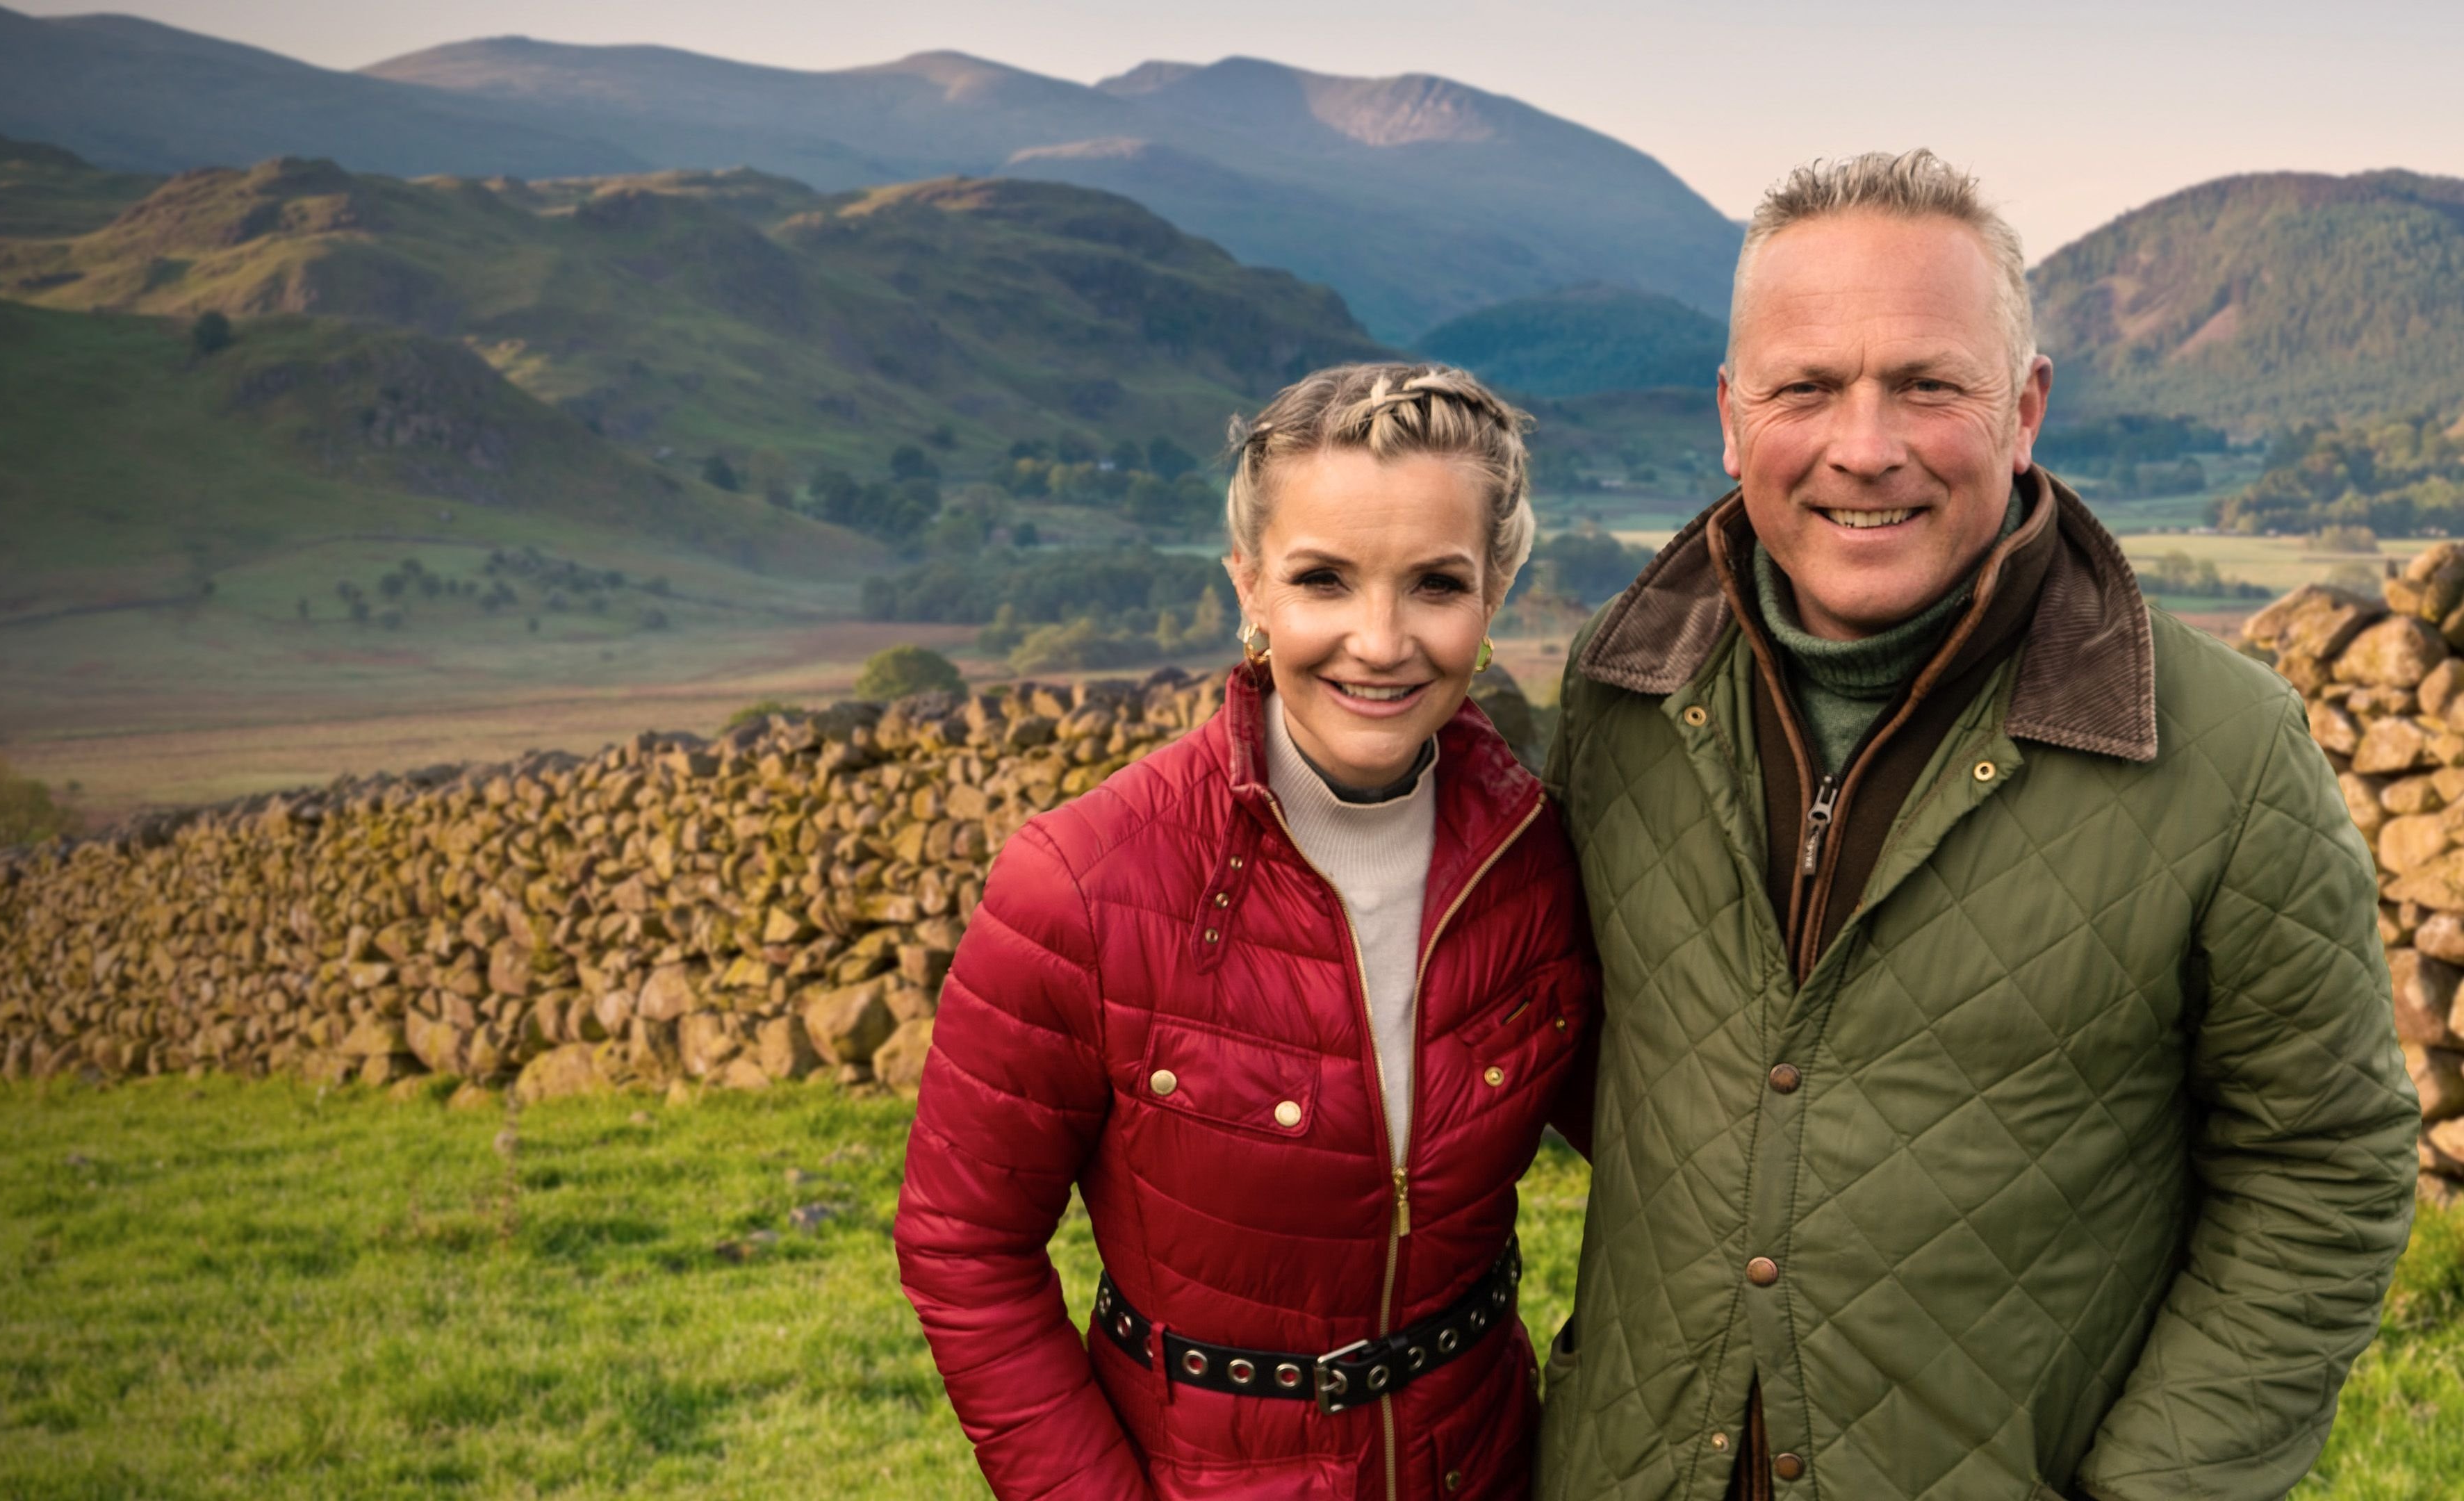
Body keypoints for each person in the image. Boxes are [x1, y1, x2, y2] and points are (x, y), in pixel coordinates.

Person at [1534, 149, 2421, 1501]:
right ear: (1730, 414)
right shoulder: (1620, 690)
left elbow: (2324, 1170)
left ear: (2024, 408)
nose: (1865, 445)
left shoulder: (2226, 750)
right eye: (1807, 387)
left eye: (1928, 384)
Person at [897, 362, 1600, 1499]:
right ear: (1250, 588)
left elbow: (1668, 1145)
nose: (1380, 641)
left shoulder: (1542, 858)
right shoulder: (1078, 884)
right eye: (1323, 580)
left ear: (1497, 591)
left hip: (1491, 1463)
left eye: (1435, 584)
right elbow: (963, 1251)